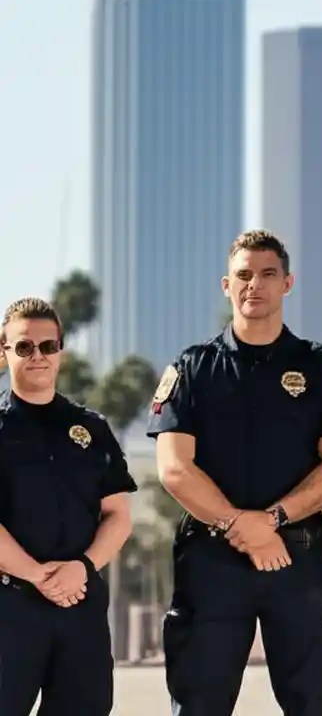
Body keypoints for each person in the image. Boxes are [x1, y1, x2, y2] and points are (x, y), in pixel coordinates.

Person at [147, 230, 322, 715]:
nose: (255, 285)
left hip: (299, 557)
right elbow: (174, 469)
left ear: (288, 283)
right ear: (227, 285)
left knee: (314, 700)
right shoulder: (193, 367)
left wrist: (270, 523)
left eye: (268, 274)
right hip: (213, 561)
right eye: (244, 275)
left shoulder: (320, 367)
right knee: (200, 700)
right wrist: (238, 524)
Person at [0, 297, 136, 715]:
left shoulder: (91, 428)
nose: (37, 356)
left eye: (47, 346)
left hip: (81, 605)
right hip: (10, 608)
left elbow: (118, 516)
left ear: (61, 350)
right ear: (4, 351)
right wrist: (38, 576)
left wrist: (83, 565)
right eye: (24, 347)